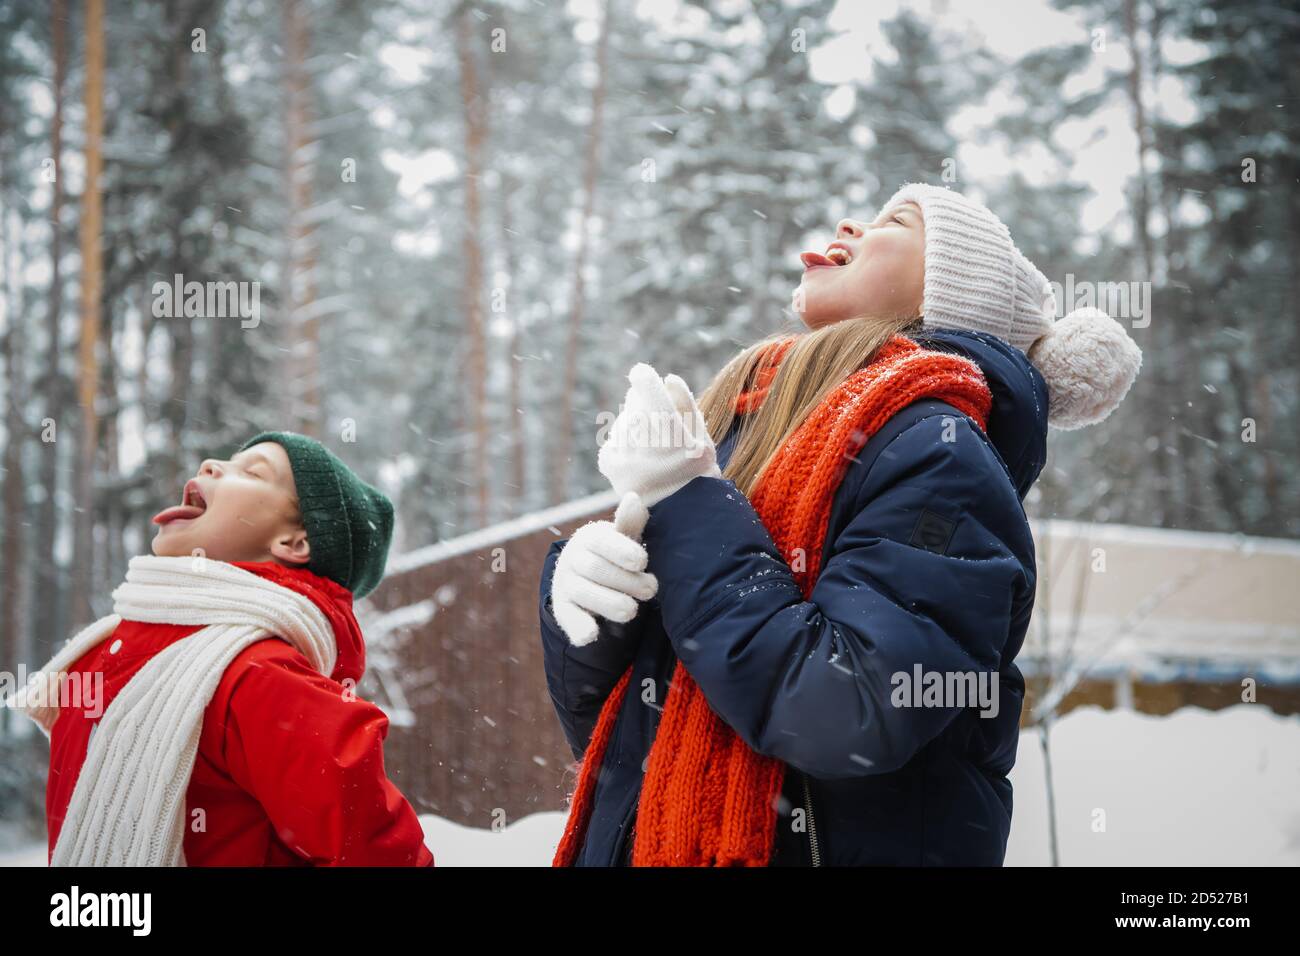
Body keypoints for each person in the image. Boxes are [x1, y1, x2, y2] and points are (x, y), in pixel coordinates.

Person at [540, 182, 1141, 866]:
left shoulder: (940, 453)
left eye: (897, 220)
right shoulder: (751, 421)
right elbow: (626, 738)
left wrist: (686, 503)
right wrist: (586, 611)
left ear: (946, 296)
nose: (852, 221)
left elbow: (848, 708)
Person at [6, 431, 434, 866]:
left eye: (252, 472)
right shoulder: (102, 652)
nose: (209, 464)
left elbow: (381, 855)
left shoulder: (260, 675)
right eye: (224, 461)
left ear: (294, 542)